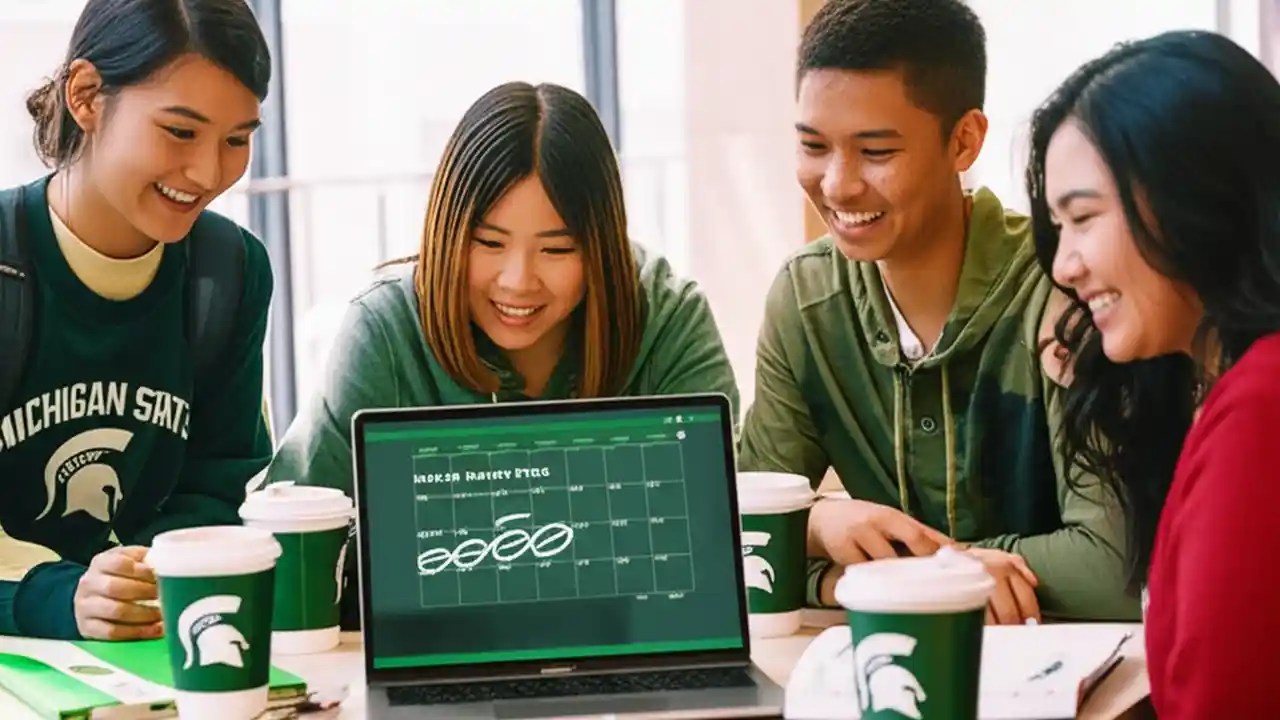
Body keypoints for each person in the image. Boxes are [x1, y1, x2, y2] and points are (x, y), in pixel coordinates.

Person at [267, 81, 737, 621]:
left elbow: (716, 532)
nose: (518, 282)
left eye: (557, 249)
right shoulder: (386, 330)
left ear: (603, 245)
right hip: (431, 650)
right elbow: (297, 535)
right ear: (447, 232)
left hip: (632, 640)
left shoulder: (667, 318)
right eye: (489, 243)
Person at [737, 0, 1137, 624]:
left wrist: (925, 574)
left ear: (964, 140)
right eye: (814, 146)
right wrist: (819, 523)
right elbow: (741, 546)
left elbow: (1113, 571)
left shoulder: (1064, 289)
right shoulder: (805, 302)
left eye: (875, 152)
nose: (838, 184)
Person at [0, 0, 274, 641]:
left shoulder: (228, 271)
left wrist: (156, 578)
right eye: (180, 131)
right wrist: (60, 599)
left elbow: (216, 482)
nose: (209, 173)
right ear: (87, 95)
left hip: (156, 639)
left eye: (237, 139)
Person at [1029, 29, 1280, 718]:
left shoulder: (1261, 409)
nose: (1063, 265)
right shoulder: (1218, 389)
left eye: (1083, 218)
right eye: (1058, 226)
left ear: (1191, 196)